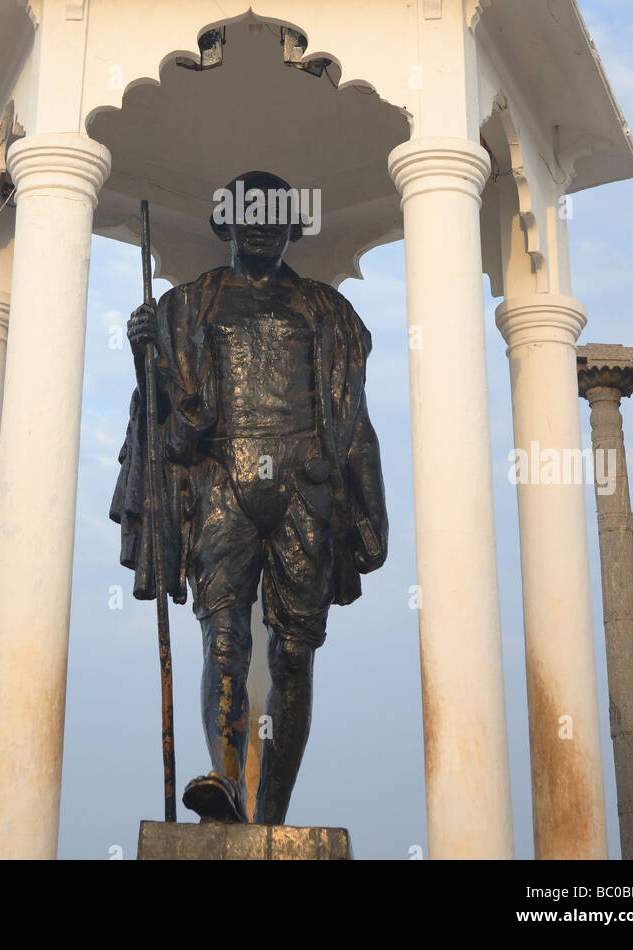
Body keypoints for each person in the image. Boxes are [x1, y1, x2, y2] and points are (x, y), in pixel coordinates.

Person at [110, 171, 388, 824]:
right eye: (247, 209)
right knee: (224, 640)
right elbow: (167, 433)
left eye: (275, 212)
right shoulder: (182, 309)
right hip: (219, 489)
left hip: (306, 490)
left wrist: (370, 509)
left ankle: (270, 817)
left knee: (292, 655)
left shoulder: (329, 314)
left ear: (294, 225)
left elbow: (354, 425)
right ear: (225, 221)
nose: (261, 222)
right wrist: (143, 358)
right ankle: (225, 783)